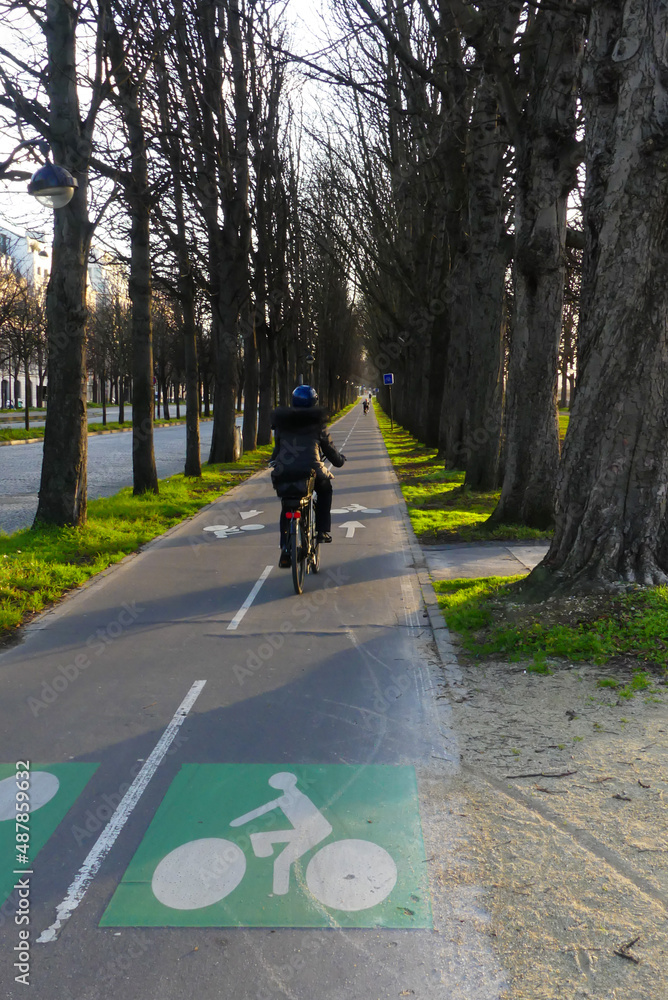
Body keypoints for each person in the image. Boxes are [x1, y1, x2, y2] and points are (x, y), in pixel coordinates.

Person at [270, 385, 346, 568]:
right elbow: (329, 449)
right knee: (326, 489)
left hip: (285, 472)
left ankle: (285, 549)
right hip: (311, 472)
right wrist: (339, 461)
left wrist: (274, 462)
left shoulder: (282, 422)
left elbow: (277, 449)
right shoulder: (317, 423)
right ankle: (322, 531)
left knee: (287, 504)